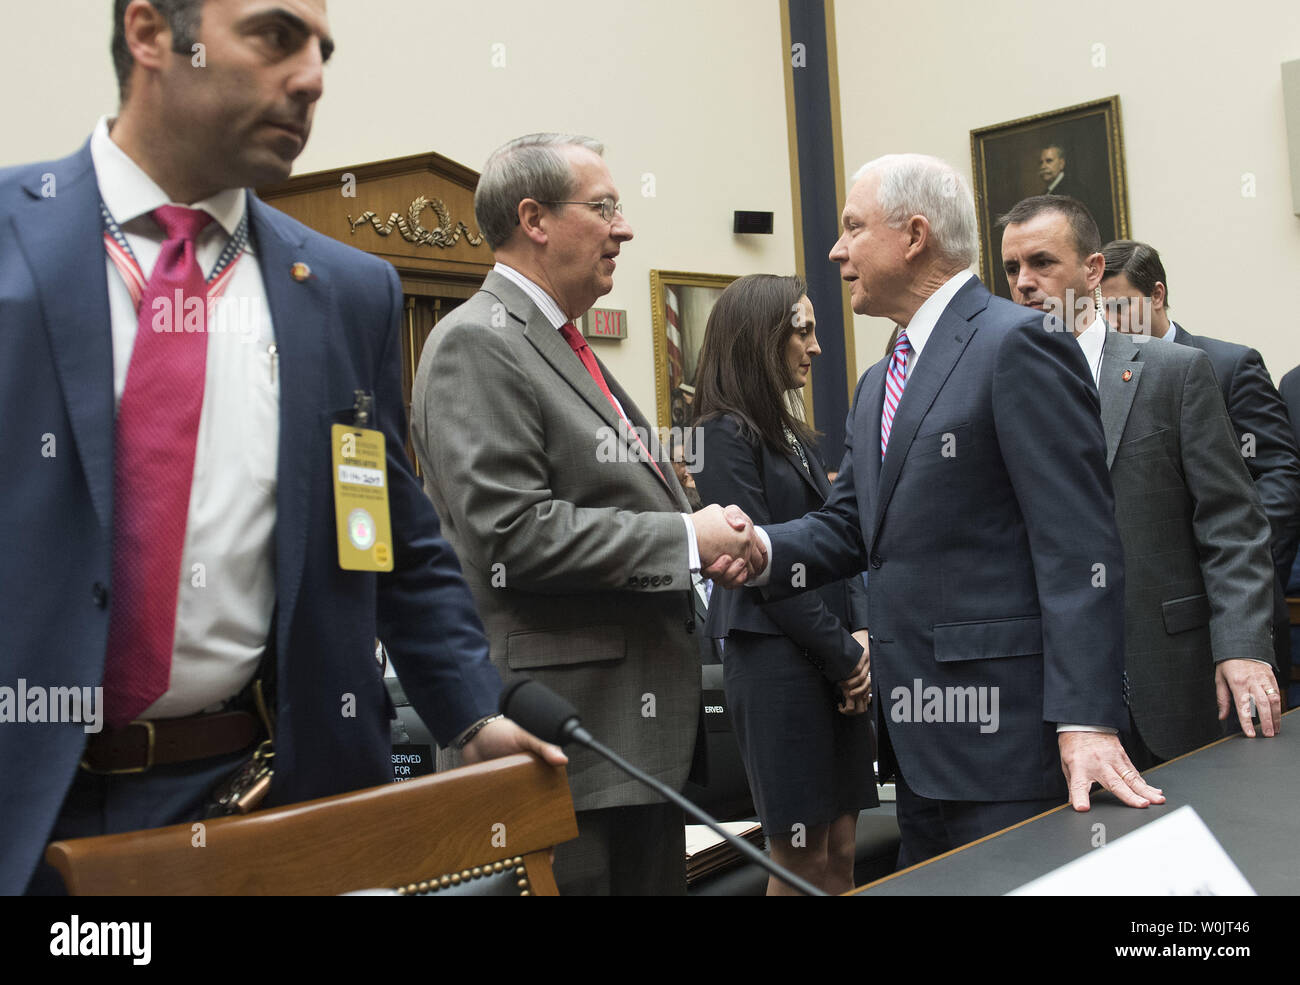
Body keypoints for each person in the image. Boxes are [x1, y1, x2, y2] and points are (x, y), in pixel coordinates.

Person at [1, 0, 563, 897]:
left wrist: (471, 711)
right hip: (32, 809)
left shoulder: (345, 291)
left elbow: (390, 537)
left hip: (269, 802)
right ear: (150, 35)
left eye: (322, 50)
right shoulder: (12, 244)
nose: (311, 78)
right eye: (273, 37)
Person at [725, 154, 1162, 869]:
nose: (836, 250)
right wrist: (757, 549)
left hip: (1011, 746)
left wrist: (1086, 719)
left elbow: (1078, 547)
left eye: (852, 228)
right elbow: (849, 526)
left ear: (915, 235)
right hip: (916, 752)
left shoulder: (1020, 342)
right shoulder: (878, 380)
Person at [409, 133, 759, 895]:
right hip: (559, 749)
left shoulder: (570, 348)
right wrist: (684, 539)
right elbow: (513, 534)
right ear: (534, 218)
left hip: (626, 746)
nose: (623, 228)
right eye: (603, 208)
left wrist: (700, 542)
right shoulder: (476, 342)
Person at [1000, 197, 1282, 767]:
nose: (1025, 283)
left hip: (1170, 677)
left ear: (1094, 270)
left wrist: (1243, 646)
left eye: (1042, 263)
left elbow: (1232, 522)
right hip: (1051, 699)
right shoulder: (1000, 383)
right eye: (1011, 269)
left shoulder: (1173, 373)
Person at [691, 274, 875, 895]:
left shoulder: (789, 431)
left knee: (844, 851)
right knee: (800, 860)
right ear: (759, 339)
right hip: (776, 663)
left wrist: (859, 632)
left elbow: (835, 542)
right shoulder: (720, 433)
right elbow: (757, 565)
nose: (817, 346)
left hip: (833, 658)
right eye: (803, 330)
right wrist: (846, 655)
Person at [1100, 238, 1300, 690]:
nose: (1110, 324)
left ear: (1156, 295)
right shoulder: (1099, 378)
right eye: (1101, 312)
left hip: (1233, 607)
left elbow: (1279, 477)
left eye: (1119, 307)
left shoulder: (1226, 365)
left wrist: (1248, 575)